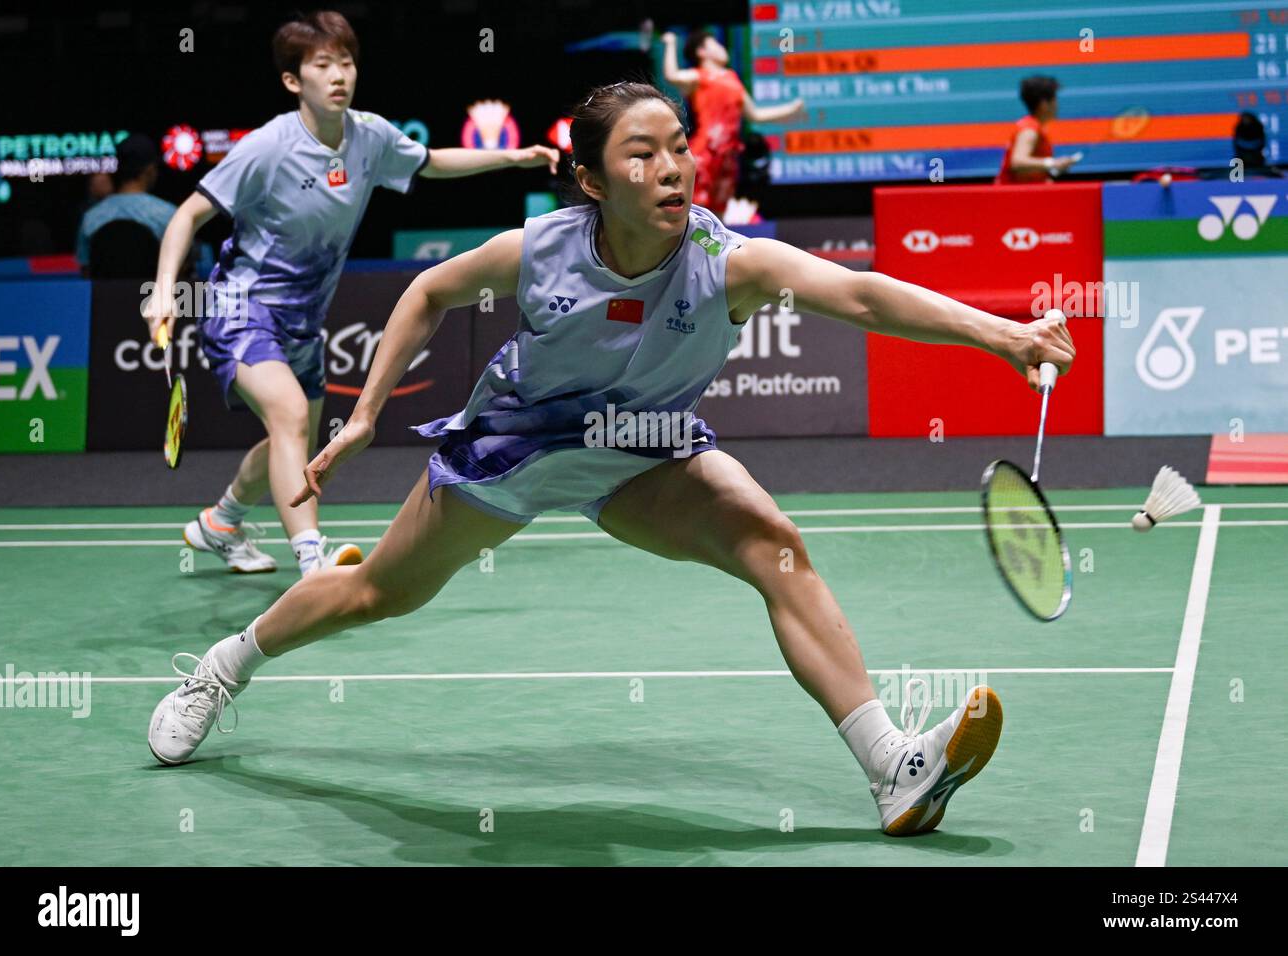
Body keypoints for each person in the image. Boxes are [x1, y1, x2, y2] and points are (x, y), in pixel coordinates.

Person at [147, 81, 1074, 837]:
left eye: (679, 145)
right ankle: (226, 665)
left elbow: (862, 297)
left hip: (643, 447)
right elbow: (431, 291)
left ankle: (893, 770)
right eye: (643, 153)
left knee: (774, 544)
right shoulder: (543, 249)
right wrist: (362, 418)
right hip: (520, 440)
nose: (673, 168)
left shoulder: (726, 261)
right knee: (377, 593)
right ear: (591, 179)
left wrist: (1002, 335)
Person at [142, 10, 558, 578]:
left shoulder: (369, 136)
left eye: (346, 62)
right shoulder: (268, 147)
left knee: (293, 437)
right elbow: (188, 215)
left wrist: (512, 158)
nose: (339, 74)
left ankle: (220, 523)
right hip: (240, 307)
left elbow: (432, 164)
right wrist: (165, 291)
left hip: (304, 320)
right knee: (289, 416)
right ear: (294, 81)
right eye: (322, 65)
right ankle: (314, 563)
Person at [661, 28, 804, 215]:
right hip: (706, 153)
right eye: (715, 44)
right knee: (694, 209)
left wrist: (791, 109)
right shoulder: (699, 76)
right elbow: (672, 76)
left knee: (719, 213)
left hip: (728, 157)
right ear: (701, 52)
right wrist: (671, 43)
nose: (722, 48)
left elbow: (756, 115)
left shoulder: (732, 79)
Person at [76, 135, 201, 278]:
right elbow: (184, 269)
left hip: (105, 299)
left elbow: (86, 272)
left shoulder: (91, 217)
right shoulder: (170, 215)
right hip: (154, 298)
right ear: (149, 170)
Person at [995, 75, 1079, 184]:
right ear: (1044, 104)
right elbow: (1018, 162)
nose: (1057, 105)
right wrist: (1053, 163)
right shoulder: (1030, 130)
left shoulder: (1035, 128)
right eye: (1054, 99)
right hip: (1011, 197)